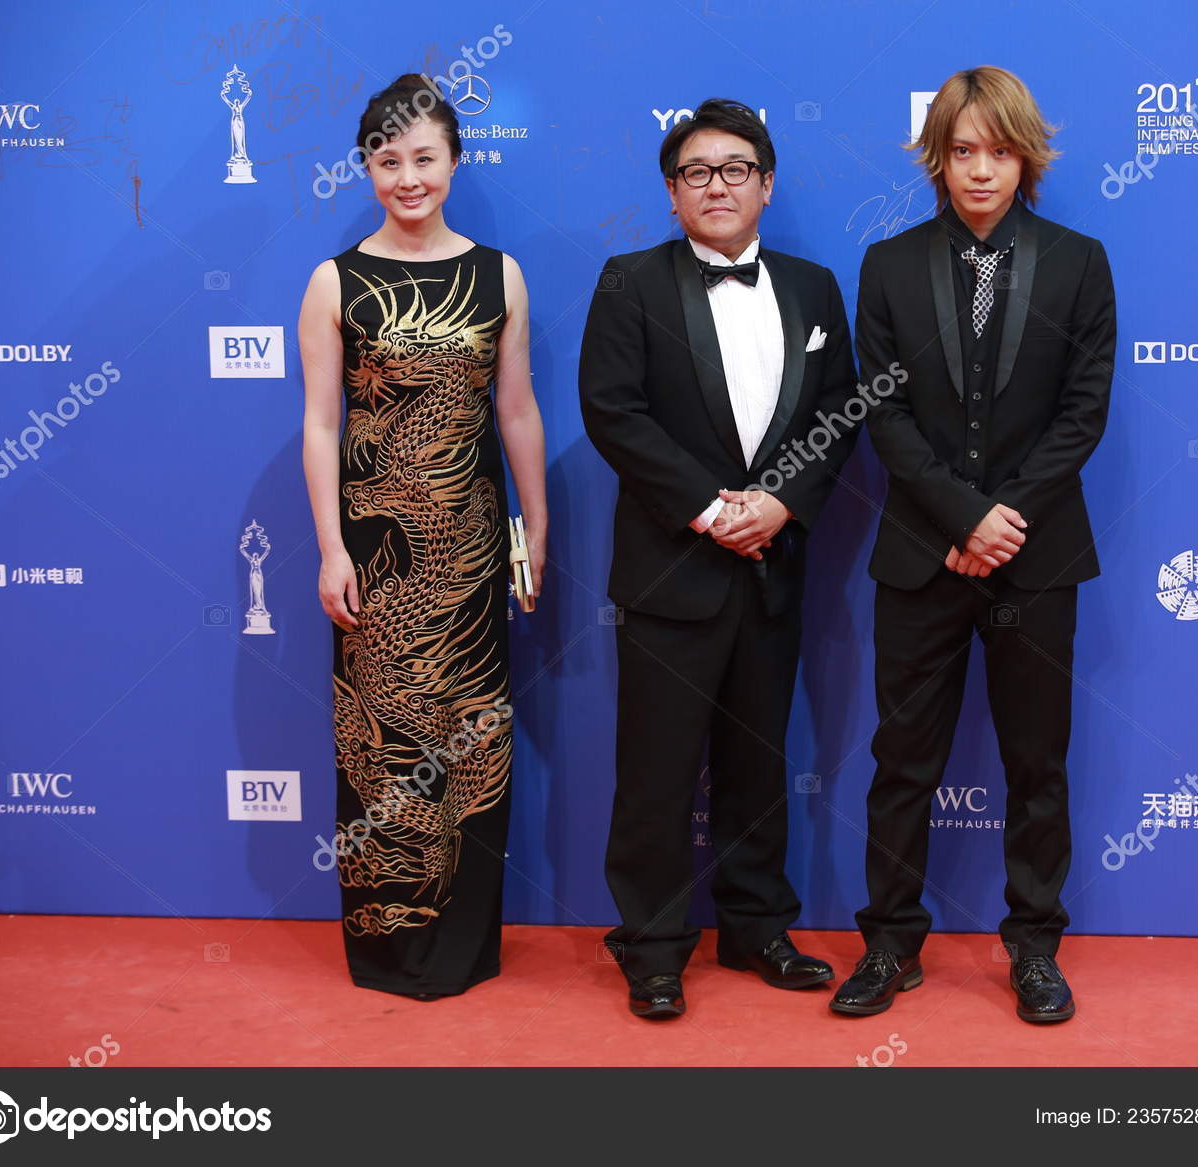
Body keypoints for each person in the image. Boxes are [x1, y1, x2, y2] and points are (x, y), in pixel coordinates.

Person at [832, 67, 1115, 1022]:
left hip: (1038, 557)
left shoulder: (1081, 262)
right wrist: (962, 517)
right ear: (938, 159)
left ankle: (1035, 947)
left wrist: (1004, 521)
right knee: (902, 759)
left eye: (999, 151)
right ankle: (890, 946)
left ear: (1025, 156)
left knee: (1039, 761)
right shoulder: (887, 267)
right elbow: (887, 417)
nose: (981, 170)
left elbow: (1082, 416)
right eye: (963, 151)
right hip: (922, 554)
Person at [579, 98, 860, 1019]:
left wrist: (780, 505)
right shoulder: (628, 281)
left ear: (767, 185)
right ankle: (654, 947)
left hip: (773, 565)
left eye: (736, 168)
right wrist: (709, 509)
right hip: (670, 569)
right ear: (671, 192)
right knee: (656, 771)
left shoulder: (817, 288)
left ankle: (757, 928)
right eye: (697, 171)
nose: (718, 185)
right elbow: (613, 412)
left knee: (758, 759)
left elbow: (839, 413)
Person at [297, 74, 546, 999]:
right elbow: (320, 424)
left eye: (424, 159)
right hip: (373, 547)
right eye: (388, 160)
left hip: (474, 541)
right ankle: (386, 942)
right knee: (382, 741)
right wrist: (331, 546)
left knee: (475, 734)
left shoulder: (499, 273)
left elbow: (515, 411)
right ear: (367, 167)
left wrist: (535, 524)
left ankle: (466, 942)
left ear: (455, 162)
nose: (408, 178)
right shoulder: (335, 281)